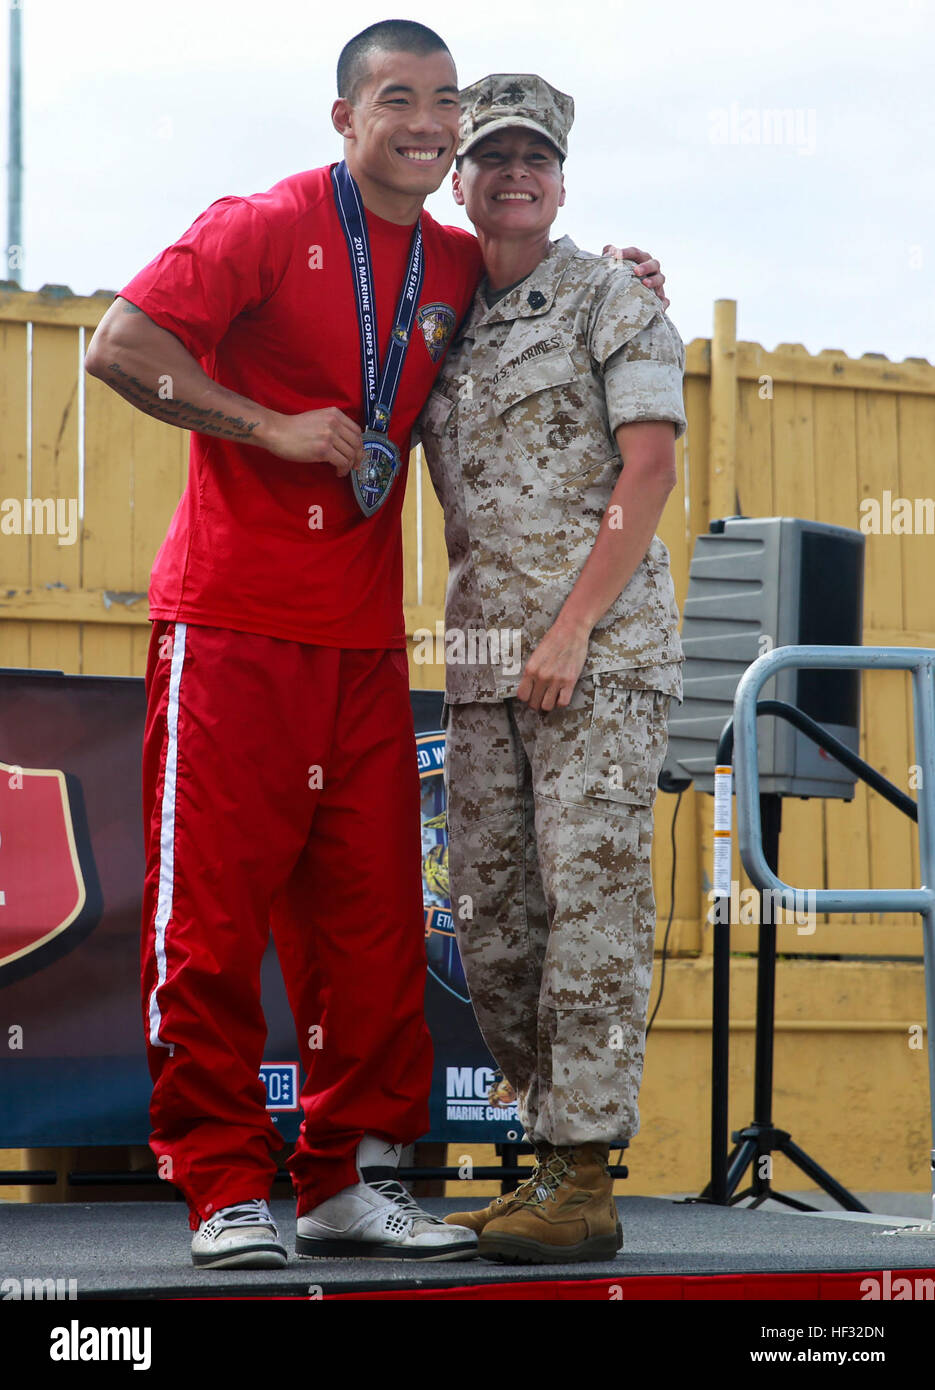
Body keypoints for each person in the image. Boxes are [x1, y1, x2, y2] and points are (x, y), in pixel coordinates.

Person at [84, 20, 669, 1269]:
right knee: (210, 920)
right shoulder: (255, 222)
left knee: (373, 928)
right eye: (396, 97)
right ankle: (225, 1184)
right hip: (230, 622)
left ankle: (343, 1178)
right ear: (344, 115)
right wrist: (270, 427)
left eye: (441, 101)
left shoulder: (460, 265)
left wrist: (627, 272)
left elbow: (555, 295)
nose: (424, 120)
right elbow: (120, 347)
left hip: (363, 643)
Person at [416, 74, 686, 1264]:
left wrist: (572, 628)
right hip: (483, 660)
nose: (512, 173)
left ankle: (582, 1172)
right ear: (461, 182)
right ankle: (540, 1152)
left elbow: (648, 473)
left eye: (534, 156)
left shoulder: (609, 297)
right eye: (490, 157)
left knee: (590, 904)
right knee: (489, 916)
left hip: (599, 655)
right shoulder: (441, 316)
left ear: (560, 179)